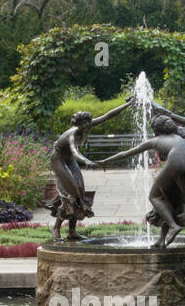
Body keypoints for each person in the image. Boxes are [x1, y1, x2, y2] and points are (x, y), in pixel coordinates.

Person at [97, 114, 185, 249]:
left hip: (176, 161)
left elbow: (127, 153)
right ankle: (161, 240)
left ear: (156, 130)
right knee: (167, 199)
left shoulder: (156, 140)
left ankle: (173, 226)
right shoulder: (179, 139)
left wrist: (105, 161)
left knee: (154, 196)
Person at [48, 97, 133, 242]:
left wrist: (128, 104)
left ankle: (72, 231)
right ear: (78, 124)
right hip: (59, 159)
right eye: (84, 124)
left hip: (70, 159)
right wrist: (87, 161)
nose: (87, 126)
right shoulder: (72, 134)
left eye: (88, 123)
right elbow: (75, 151)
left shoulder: (87, 125)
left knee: (80, 192)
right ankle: (56, 227)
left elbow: (108, 116)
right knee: (72, 194)